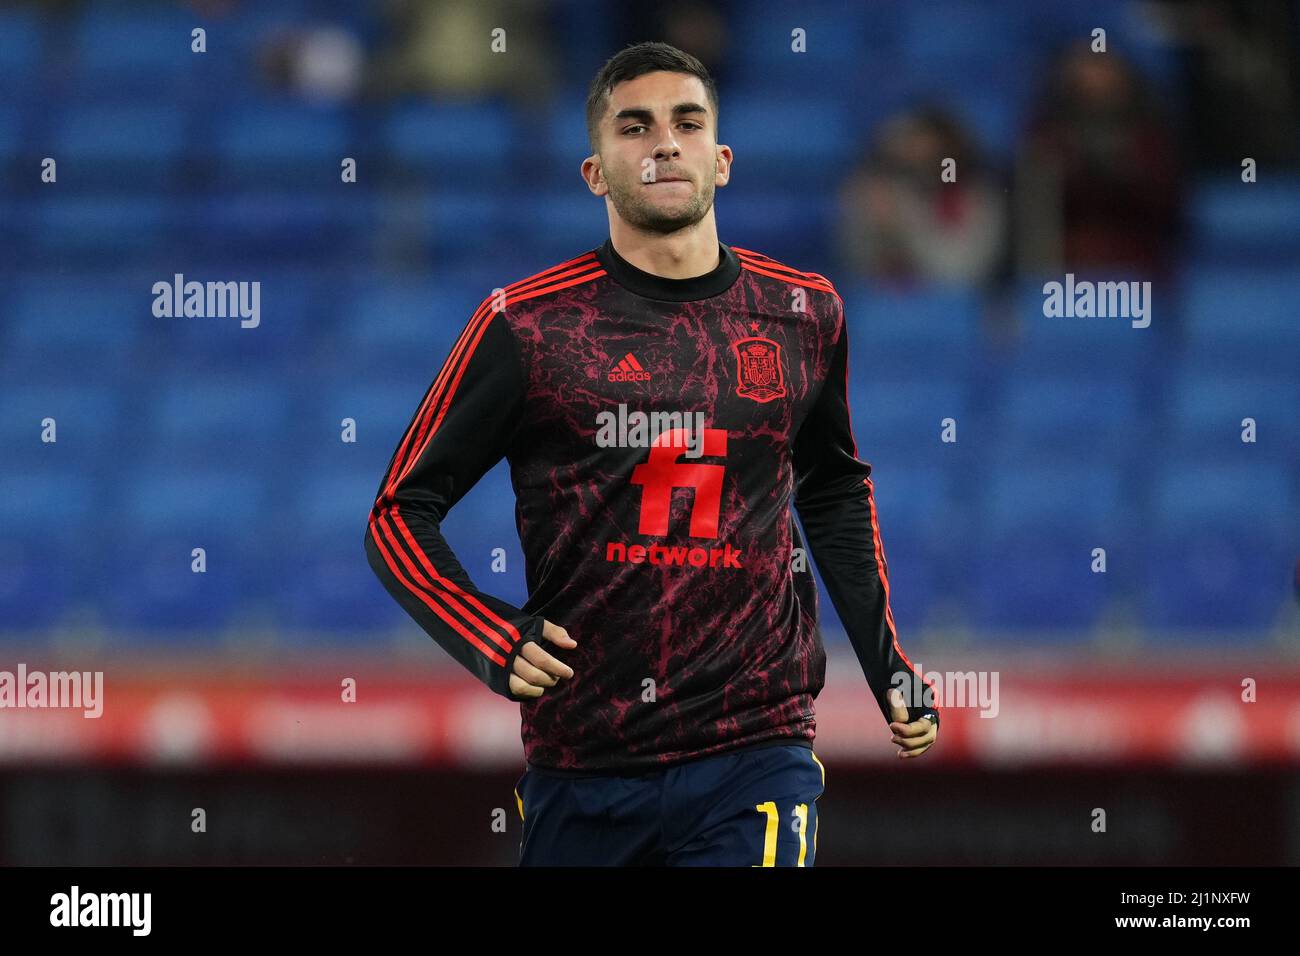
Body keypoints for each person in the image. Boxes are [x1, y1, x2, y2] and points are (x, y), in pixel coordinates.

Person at [364, 41, 940, 867]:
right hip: (583, 760)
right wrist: (488, 635)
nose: (665, 143)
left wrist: (888, 665)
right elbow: (398, 513)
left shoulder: (803, 312)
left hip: (757, 746)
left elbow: (833, 489)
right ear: (595, 171)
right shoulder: (525, 326)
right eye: (635, 127)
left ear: (723, 159)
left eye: (687, 122)